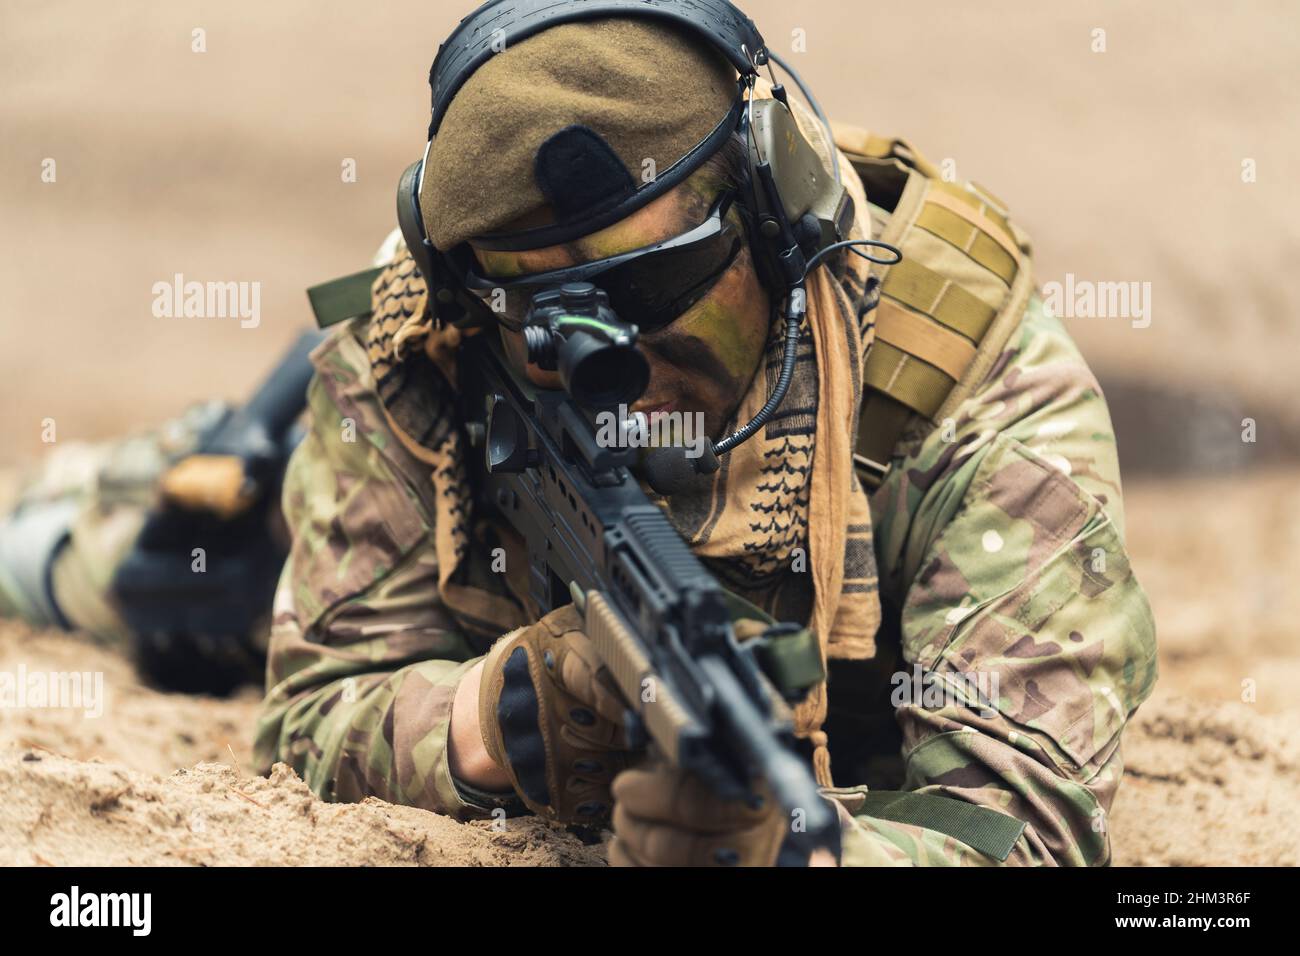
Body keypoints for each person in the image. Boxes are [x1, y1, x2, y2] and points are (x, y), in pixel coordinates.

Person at [242, 0, 1155, 867]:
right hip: (354, 533)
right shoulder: (423, 335)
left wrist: (793, 853)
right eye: (535, 310)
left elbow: (1024, 833)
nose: (620, 365)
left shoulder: (977, 393)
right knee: (192, 564)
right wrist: (502, 714)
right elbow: (308, 716)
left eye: (655, 284)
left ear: (772, 214)